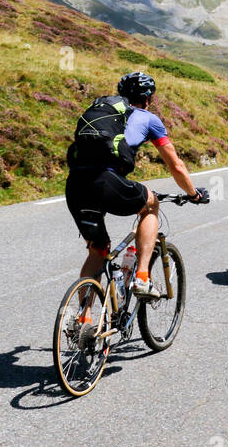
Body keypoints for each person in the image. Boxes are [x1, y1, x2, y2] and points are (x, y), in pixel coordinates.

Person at [65, 72, 208, 326]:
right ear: (149, 98)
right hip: (107, 181)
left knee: (98, 250)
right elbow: (175, 165)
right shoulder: (149, 118)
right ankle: (142, 276)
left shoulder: (104, 112)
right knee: (151, 205)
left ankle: (83, 319)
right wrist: (193, 194)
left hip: (75, 184)